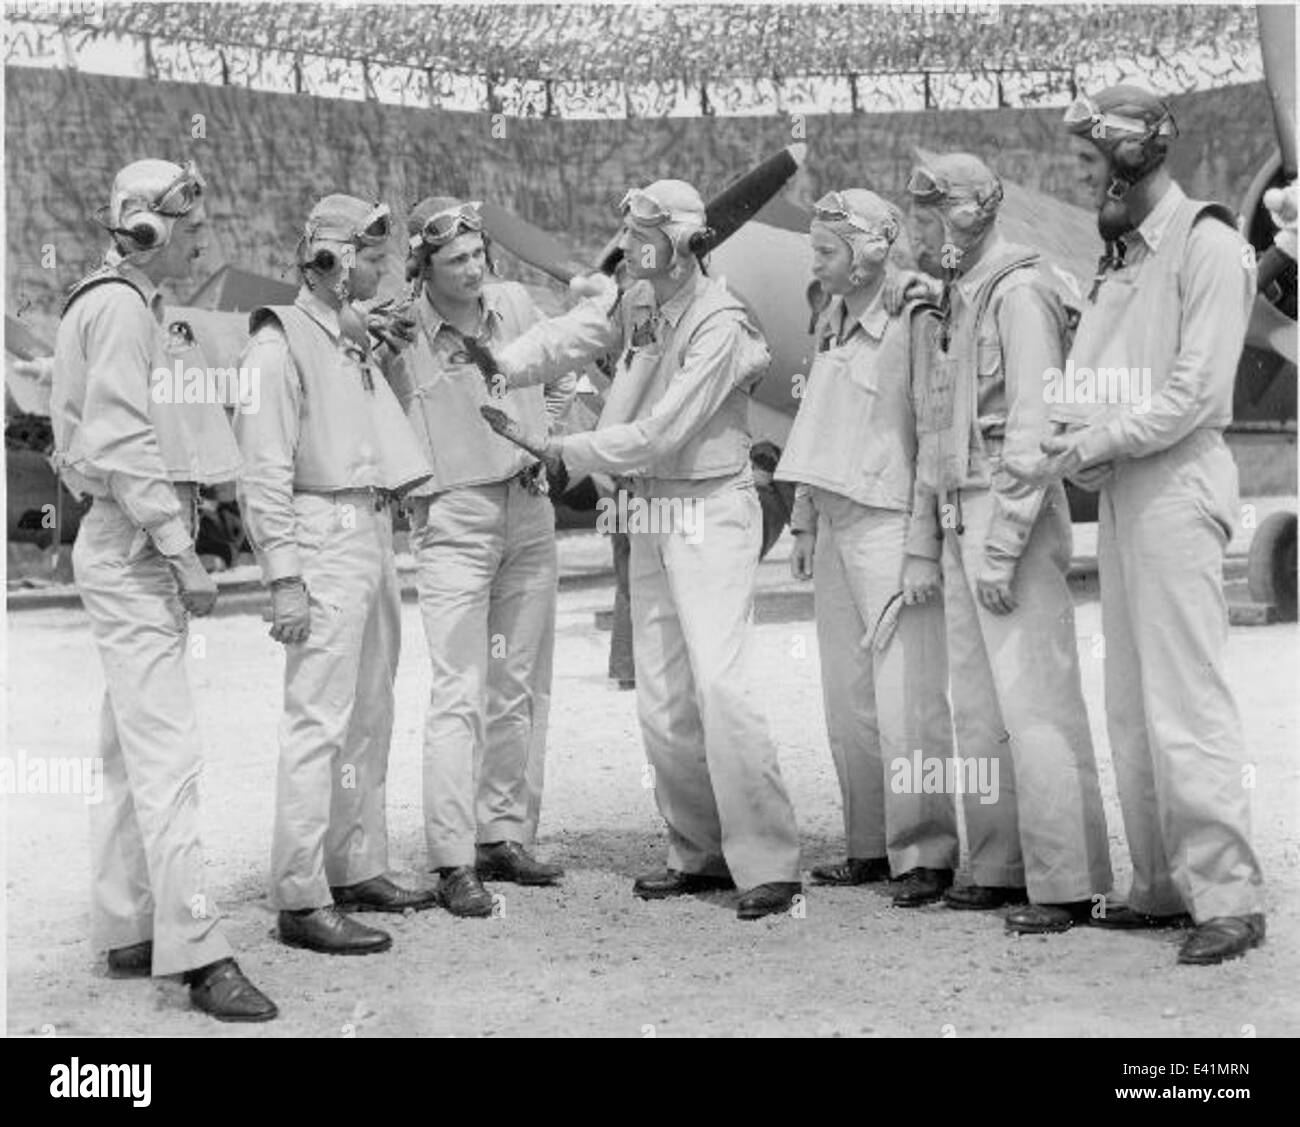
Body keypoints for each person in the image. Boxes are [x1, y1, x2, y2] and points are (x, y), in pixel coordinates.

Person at [475, 179, 804, 920]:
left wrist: (562, 447)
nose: (632, 247)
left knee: (720, 685)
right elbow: (577, 334)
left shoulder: (721, 323)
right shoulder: (644, 298)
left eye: (648, 234)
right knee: (661, 696)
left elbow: (661, 431)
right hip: (652, 507)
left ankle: (769, 862)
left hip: (710, 506)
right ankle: (700, 851)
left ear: (688, 243)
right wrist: (500, 361)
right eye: (631, 233)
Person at [1010, 85, 1266, 964]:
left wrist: (1096, 439)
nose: (1081, 178)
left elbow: (1196, 394)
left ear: (1134, 151)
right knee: (1131, 703)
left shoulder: (1209, 245)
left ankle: (1228, 895)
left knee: (1186, 700)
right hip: (1122, 489)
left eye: (1090, 161)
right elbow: (1099, 377)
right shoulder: (1120, 253)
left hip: (1177, 485)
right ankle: (1160, 884)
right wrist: (1067, 438)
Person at [51, 158, 276, 1021]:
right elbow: (120, 443)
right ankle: (199, 951)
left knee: (129, 748)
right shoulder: (115, 307)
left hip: (126, 538)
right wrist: (183, 552)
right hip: (137, 542)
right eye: (189, 219)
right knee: (169, 759)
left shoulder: (127, 302)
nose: (202, 232)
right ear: (145, 227)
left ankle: (127, 923)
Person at [902, 152, 1113, 933]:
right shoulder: (960, 297)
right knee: (981, 707)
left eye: (929, 213)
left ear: (967, 213)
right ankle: (998, 864)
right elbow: (935, 421)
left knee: (1039, 701)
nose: (919, 227)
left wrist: (1004, 544)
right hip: (964, 505)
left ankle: (1066, 881)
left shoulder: (1022, 293)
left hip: (1005, 508)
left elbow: (1033, 425)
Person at [234, 194, 438, 955]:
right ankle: (300, 893)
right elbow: (262, 473)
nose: (382, 272)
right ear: (335, 258)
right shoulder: (276, 345)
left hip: (366, 524)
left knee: (368, 708)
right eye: (370, 256)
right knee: (316, 718)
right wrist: (283, 576)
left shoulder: (345, 339)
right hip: (320, 531)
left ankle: (355, 864)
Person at [377, 196, 575, 917]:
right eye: (455, 258)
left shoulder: (516, 304)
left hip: (528, 505)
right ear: (422, 267)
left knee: (520, 683)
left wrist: (545, 439)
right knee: (458, 690)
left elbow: (560, 375)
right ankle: (452, 858)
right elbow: (363, 402)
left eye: (478, 253)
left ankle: (503, 833)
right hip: (454, 513)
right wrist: (413, 487)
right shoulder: (398, 329)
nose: (473, 268)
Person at [776, 189, 959, 906]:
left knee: (907, 697)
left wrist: (923, 542)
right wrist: (802, 520)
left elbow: (935, 438)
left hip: (890, 521)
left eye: (828, 250)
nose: (816, 262)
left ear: (871, 251)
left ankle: (926, 851)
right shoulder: (830, 317)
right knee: (847, 698)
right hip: (834, 520)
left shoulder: (917, 317)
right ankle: (868, 845)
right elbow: (816, 423)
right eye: (815, 249)